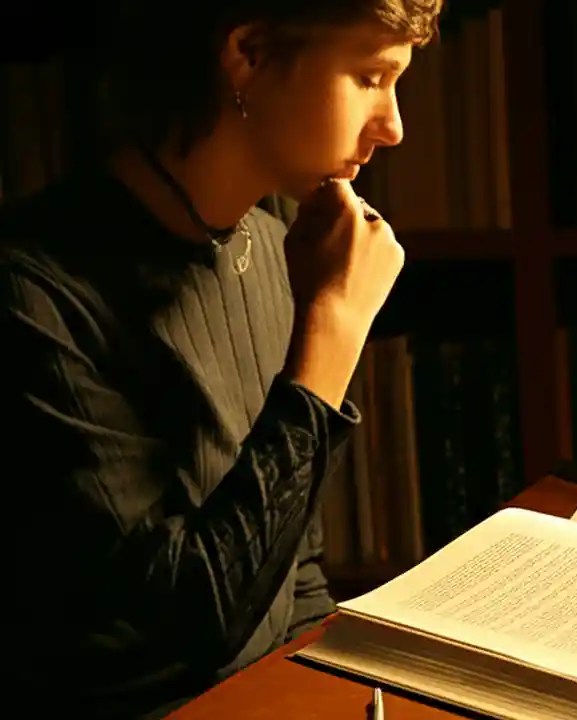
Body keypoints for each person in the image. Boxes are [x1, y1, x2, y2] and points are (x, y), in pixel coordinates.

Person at [0, 1, 442, 717]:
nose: (394, 126)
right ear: (250, 54)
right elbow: (189, 626)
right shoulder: (32, 295)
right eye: (370, 77)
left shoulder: (276, 247)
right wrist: (331, 334)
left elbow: (294, 580)